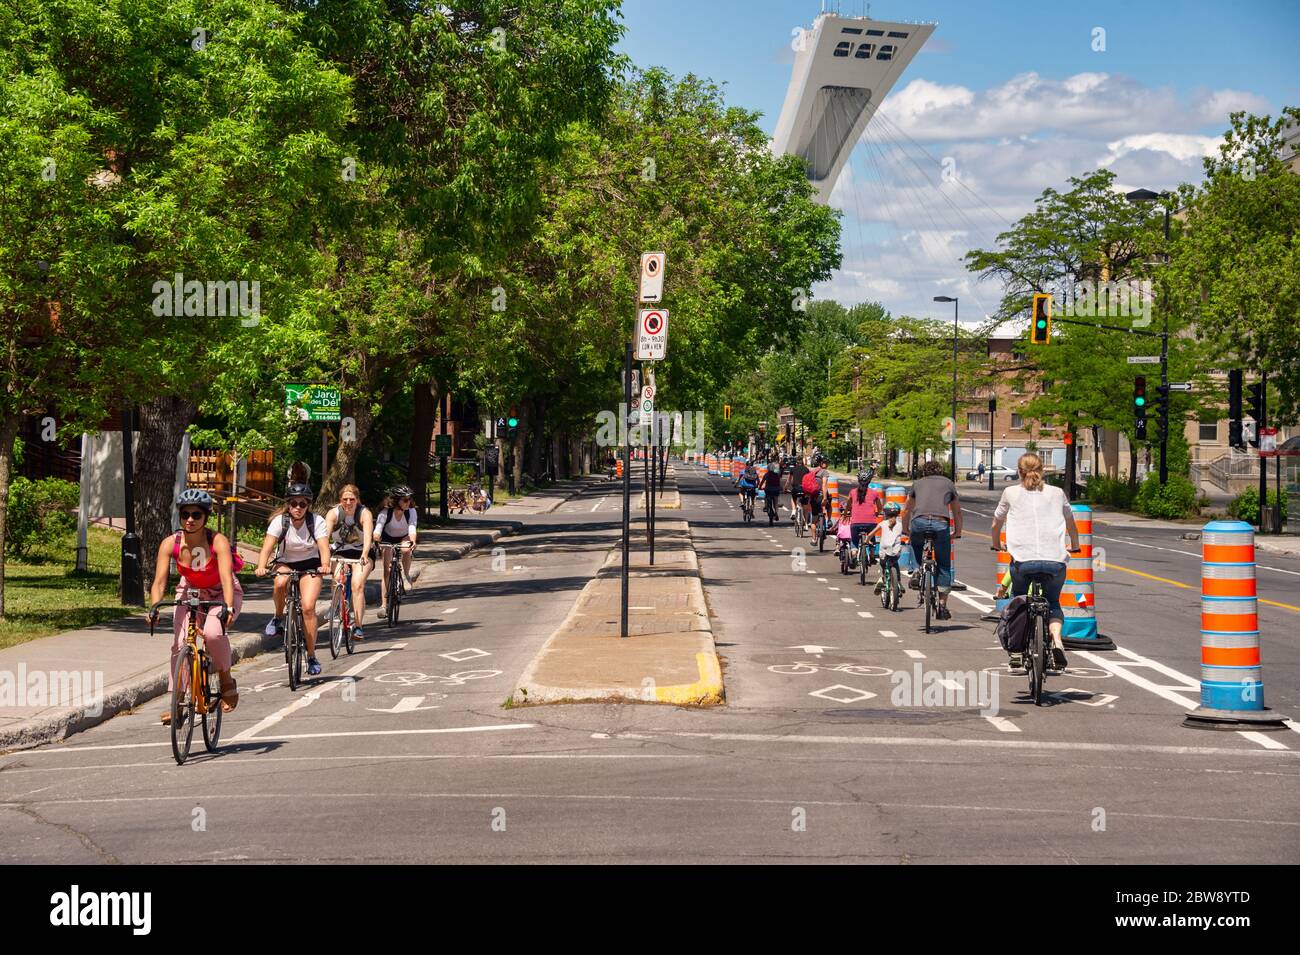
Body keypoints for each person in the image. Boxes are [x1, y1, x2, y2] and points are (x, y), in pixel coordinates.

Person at [148, 488, 243, 724]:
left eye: (196, 515)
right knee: (180, 644)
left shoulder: (217, 541)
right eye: (185, 514)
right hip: (190, 591)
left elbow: (225, 577)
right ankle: (178, 701)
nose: (190, 520)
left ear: (206, 517)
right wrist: (154, 607)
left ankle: (225, 678)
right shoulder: (171, 543)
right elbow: (159, 581)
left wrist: (228, 607)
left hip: (221, 592)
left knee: (212, 634)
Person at [990, 452, 1081, 671]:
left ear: (1019, 471)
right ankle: (1057, 642)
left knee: (1018, 599)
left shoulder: (1010, 492)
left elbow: (996, 522)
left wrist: (996, 543)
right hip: (1055, 561)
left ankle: (1016, 651)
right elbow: (1071, 523)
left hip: (1023, 560)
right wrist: (1075, 545)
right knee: (1054, 602)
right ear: (1042, 470)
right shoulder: (1058, 493)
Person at [255, 482, 331, 676]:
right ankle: (278, 617)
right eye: (294, 503)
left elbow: (324, 547)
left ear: (308, 505)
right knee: (280, 582)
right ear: (288, 504)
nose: (298, 507)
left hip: (311, 564)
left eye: (303, 504)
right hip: (286, 563)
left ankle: (312, 655)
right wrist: (261, 566)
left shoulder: (317, 521)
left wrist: (325, 565)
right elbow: (267, 548)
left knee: (308, 608)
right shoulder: (280, 521)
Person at [901, 459, 963, 620]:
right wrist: (957, 531)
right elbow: (957, 512)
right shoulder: (949, 484)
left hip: (919, 522)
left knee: (915, 545)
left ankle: (915, 571)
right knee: (943, 564)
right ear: (940, 471)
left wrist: (906, 529)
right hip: (940, 523)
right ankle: (942, 606)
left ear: (924, 472)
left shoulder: (917, 484)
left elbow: (907, 509)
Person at [323, 484, 375, 641]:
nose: (348, 502)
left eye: (351, 499)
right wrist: (324, 558)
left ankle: (358, 627)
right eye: (344, 499)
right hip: (340, 551)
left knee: (357, 584)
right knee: (338, 578)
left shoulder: (364, 514)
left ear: (357, 500)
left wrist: (365, 554)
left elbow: (368, 538)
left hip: (361, 552)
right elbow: (325, 537)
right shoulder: (334, 514)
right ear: (340, 500)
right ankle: (336, 606)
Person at [376, 485, 419, 601]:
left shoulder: (411, 511)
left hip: (404, 537)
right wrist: (376, 538)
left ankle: (405, 575)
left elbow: (412, 527)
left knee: (406, 549)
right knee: (387, 571)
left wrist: (413, 541)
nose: (408, 502)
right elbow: (378, 529)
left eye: (410, 499)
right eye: (405, 500)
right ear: (396, 501)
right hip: (387, 538)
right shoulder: (386, 512)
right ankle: (384, 605)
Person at [846, 469, 883, 565]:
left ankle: (854, 554)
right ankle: (871, 555)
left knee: (854, 540)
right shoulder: (874, 493)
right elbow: (880, 508)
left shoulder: (852, 492)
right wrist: (878, 513)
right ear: (869, 481)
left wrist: (847, 513)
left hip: (855, 523)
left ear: (858, 480)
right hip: (870, 522)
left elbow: (848, 506)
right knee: (871, 537)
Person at [868, 502, 906, 592]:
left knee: (883, 565)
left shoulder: (882, 523)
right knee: (895, 563)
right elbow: (908, 533)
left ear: (885, 513)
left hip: (884, 552)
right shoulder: (900, 524)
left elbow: (870, 534)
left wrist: (867, 540)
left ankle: (882, 578)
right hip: (896, 552)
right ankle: (899, 582)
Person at [788, 455, 811, 523]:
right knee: (805, 505)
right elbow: (809, 480)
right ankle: (806, 523)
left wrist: (785, 488)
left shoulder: (793, 469)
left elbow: (789, 480)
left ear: (796, 462)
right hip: (804, 489)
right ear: (802, 461)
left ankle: (793, 511)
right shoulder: (806, 469)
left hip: (796, 488)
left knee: (793, 497)